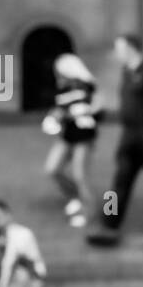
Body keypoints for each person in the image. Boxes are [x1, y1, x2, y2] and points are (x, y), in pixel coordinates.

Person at [88, 34, 143, 246]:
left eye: (119, 48)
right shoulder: (126, 72)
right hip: (129, 136)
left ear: (131, 48)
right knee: (119, 182)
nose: (116, 52)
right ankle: (108, 225)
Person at [41, 53, 99, 229]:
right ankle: (75, 197)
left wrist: (81, 112)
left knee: (80, 175)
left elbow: (95, 109)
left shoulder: (87, 87)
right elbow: (58, 110)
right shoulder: (61, 90)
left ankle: (89, 212)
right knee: (52, 168)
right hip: (66, 137)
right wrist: (53, 119)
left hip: (84, 138)